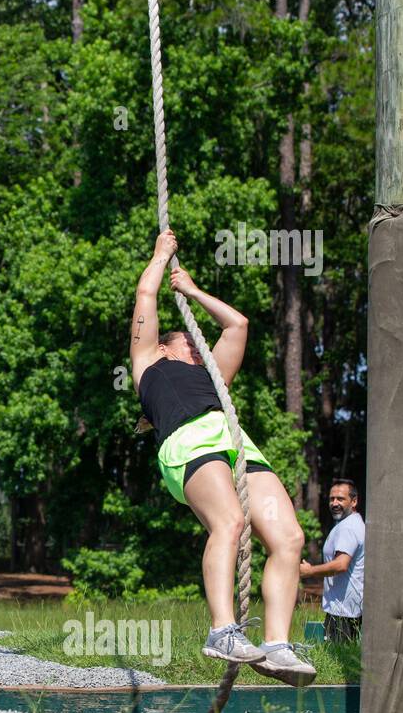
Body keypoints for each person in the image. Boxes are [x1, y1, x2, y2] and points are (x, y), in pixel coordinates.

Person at [130, 229, 313, 685]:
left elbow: (238, 325)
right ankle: (222, 630)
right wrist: (160, 256)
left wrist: (191, 290)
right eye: (188, 342)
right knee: (229, 522)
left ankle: (276, 645)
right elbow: (146, 292)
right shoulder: (149, 363)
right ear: (168, 344)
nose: (197, 346)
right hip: (189, 443)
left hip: (236, 444)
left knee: (290, 538)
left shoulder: (213, 375)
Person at [299, 480, 365, 643]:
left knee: (338, 656)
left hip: (343, 610)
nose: (335, 503)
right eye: (332, 499)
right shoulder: (351, 524)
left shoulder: (348, 528)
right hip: (347, 607)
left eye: (340, 499)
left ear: (354, 501)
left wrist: (310, 571)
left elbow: (341, 564)